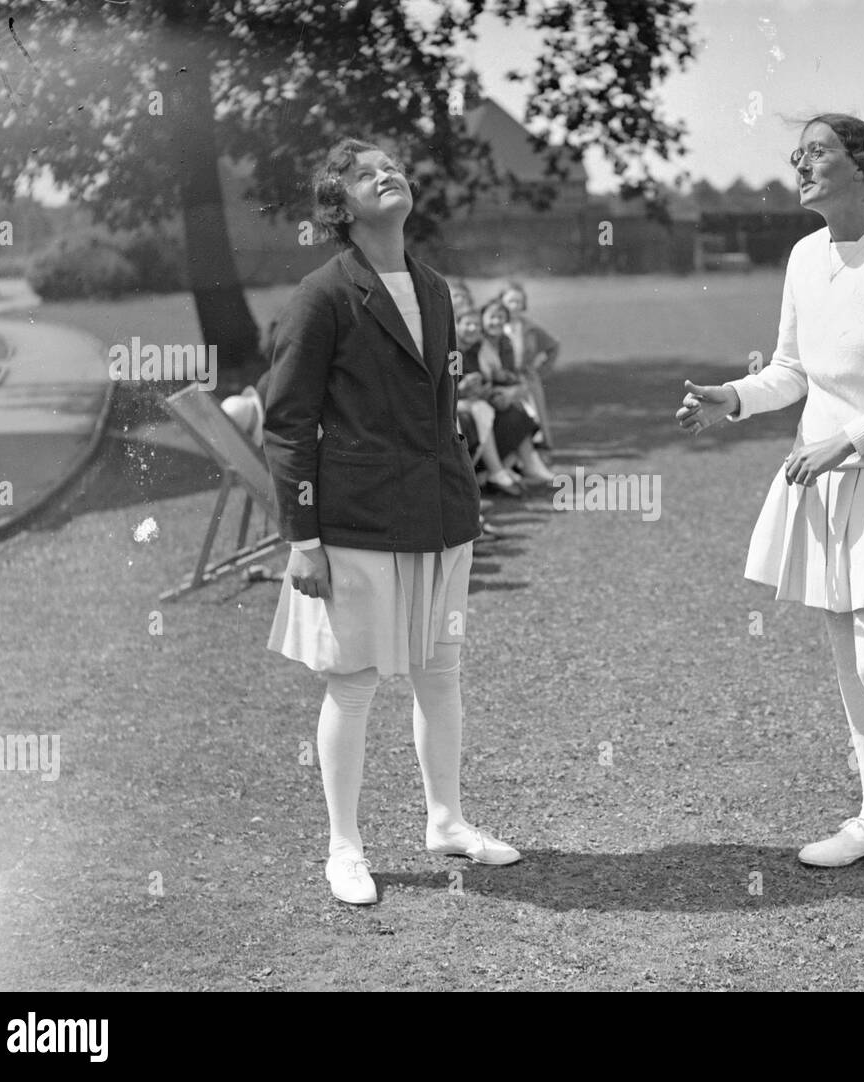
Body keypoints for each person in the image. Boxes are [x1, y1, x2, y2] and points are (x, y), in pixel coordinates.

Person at [677, 113, 864, 910]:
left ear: (861, 163)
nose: (798, 164)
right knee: (848, 663)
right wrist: (732, 398)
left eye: (815, 152)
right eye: (797, 154)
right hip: (824, 479)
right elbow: (791, 370)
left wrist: (847, 441)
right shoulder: (805, 255)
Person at [262, 136, 521, 907]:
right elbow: (286, 422)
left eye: (392, 164)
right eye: (363, 171)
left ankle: (447, 821)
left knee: (440, 672)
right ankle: (345, 850)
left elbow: (444, 411)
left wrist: (465, 505)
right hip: (355, 521)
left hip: (439, 512)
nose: (387, 173)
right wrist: (304, 540)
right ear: (340, 208)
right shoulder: (321, 295)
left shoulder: (436, 287)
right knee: (355, 683)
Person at [463, 299, 557, 487]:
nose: (496, 322)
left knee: (519, 411)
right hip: (470, 401)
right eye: (492, 317)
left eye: (501, 317)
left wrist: (505, 386)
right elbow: (460, 381)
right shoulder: (464, 348)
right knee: (500, 412)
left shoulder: (504, 343)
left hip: (487, 396)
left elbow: (507, 375)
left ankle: (510, 467)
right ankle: (496, 471)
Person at [500, 280, 560, 452]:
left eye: (519, 302)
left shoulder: (529, 328)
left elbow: (554, 346)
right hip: (505, 380)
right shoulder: (496, 325)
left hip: (527, 380)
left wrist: (540, 370)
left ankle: (538, 454)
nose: (514, 306)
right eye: (510, 301)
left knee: (534, 418)